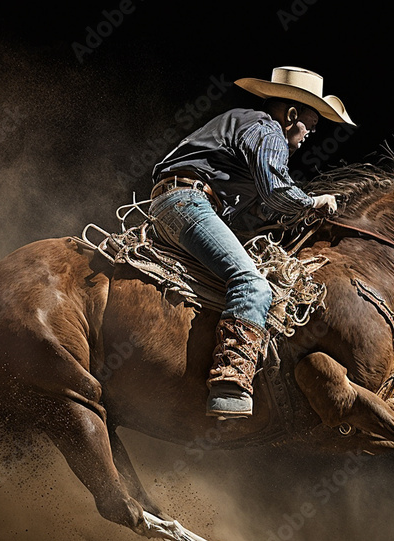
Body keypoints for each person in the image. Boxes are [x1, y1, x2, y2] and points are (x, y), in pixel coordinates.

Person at [148, 66, 357, 419]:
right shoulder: (267, 129)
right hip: (189, 202)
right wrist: (313, 203)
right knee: (252, 284)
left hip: (171, 203)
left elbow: (259, 206)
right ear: (291, 114)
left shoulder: (240, 122)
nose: (312, 132)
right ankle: (230, 385)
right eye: (310, 123)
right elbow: (276, 190)